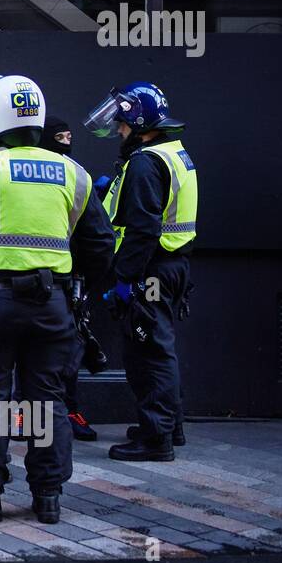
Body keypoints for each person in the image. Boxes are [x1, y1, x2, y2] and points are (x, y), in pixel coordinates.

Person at [0, 76, 114, 524]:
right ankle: (47, 495)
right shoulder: (74, 173)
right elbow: (102, 245)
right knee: (45, 399)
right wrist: (74, 285)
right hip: (53, 306)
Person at [84, 82, 198, 462]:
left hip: (149, 270)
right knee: (161, 351)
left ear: (138, 122)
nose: (118, 130)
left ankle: (155, 439)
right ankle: (168, 427)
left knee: (149, 353)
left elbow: (143, 229)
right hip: (171, 265)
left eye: (122, 123)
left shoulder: (146, 163)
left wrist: (125, 280)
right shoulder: (172, 154)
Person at [37, 115, 98, 442]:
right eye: (59, 138)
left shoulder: (75, 175)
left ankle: (66, 412)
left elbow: (95, 235)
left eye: (68, 137)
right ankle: (30, 418)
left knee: (68, 353)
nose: (66, 144)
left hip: (68, 278)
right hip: (39, 279)